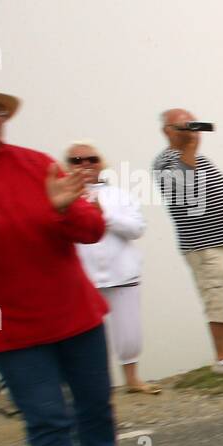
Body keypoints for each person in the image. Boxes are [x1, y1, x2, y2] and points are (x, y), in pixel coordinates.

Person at [0, 65, 152, 446]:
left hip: (73, 310)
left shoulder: (36, 163)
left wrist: (63, 211)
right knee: (48, 415)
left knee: (96, 398)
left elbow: (92, 227)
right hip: (6, 325)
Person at [153, 107, 223, 376]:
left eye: (192, 125)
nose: (191, 131)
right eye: (183, 126)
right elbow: (186, 190)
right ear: (167, 131)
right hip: (205, 245)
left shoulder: (197, 158)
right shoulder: (165, 161)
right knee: (218, 300)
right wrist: (190, 147)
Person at [66, 140, 159, 394]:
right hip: (82, 278)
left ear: (101, 163)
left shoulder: (120, 195)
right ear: (67, 166)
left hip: (123, 273)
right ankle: (94, 386)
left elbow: (137, 228)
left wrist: (102, 215)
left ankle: (132, 380)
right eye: (77, 160)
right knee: (86, 337)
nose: (85, 164)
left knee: (129, 333)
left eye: (91, 159)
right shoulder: (61, 197)